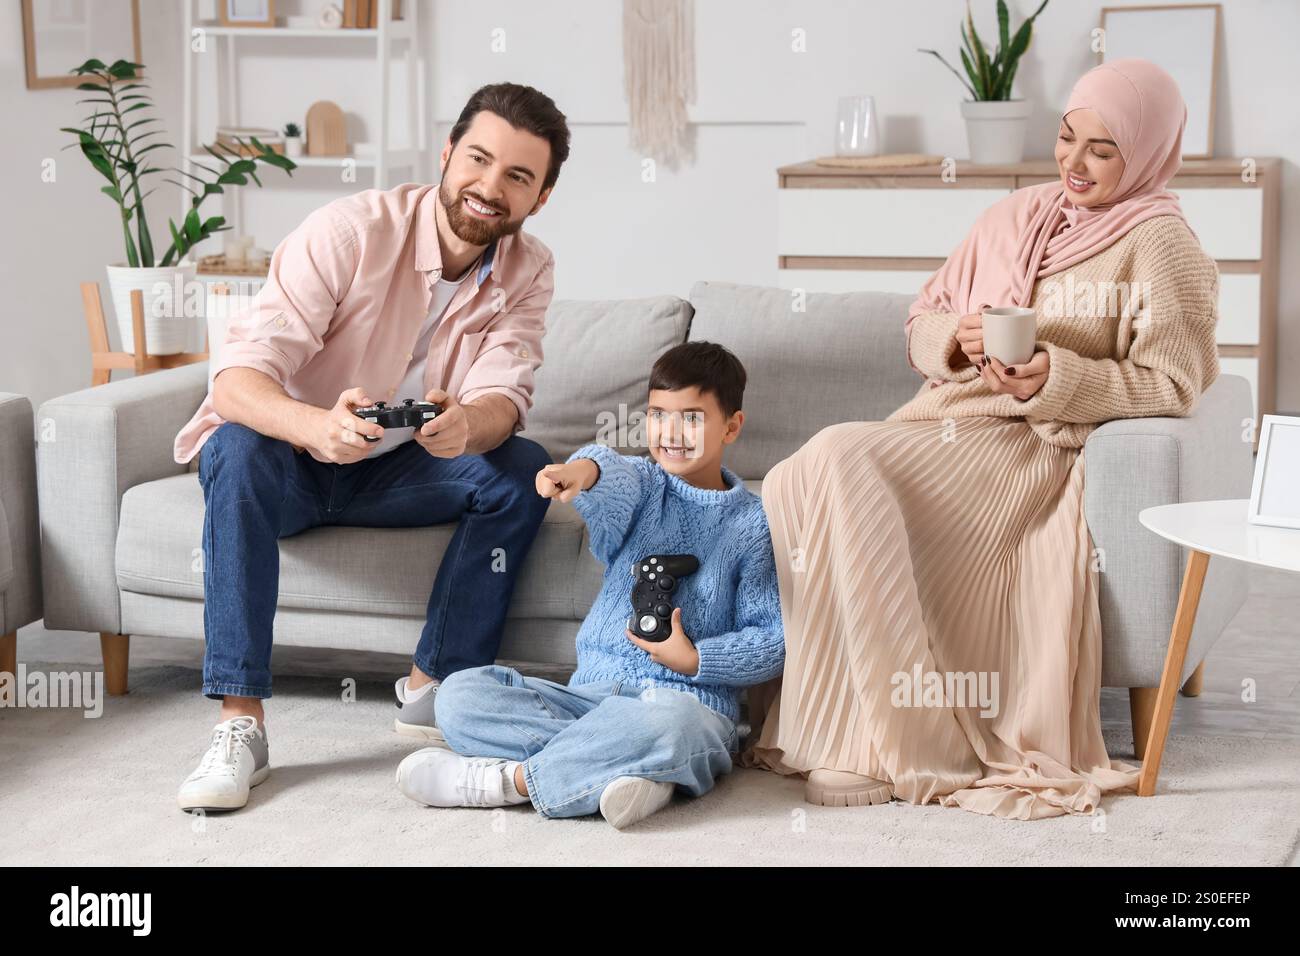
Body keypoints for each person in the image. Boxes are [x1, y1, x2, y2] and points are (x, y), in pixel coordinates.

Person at [742, 59, 1221, 820]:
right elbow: (923, 317)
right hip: (948, 419)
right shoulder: (1017, 213)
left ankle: (885, 745)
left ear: (1149, 152)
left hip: (1033, 446)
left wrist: (1055, 377)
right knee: (799, 475)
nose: (1075, 162)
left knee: (838, 455)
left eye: (1103, 149)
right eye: (1068, 139)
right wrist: (957, 343)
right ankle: (829, 720)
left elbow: (1174, 383)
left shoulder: (1161, 245)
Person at [171, 83, 571, 812]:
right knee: (234, 446)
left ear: (539, 197)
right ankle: (240, 726)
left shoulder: (530, 268)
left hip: (395, 475)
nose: (490, 187)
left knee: (520, 467)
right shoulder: (349, 232)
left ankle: (431, 690)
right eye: (478, 160)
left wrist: (466, 424)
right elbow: (235, 382)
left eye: (518, 176)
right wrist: (315, 426)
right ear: (446, 154)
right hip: (290, 462)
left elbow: (504, 396)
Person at [395, 342, 785, 829]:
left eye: (692, 418)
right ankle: (625, 772)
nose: (671, 433)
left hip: (684, 705)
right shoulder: (646, 483)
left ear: (731, 426)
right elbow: (611, 472)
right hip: (591, 699)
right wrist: (581, 472)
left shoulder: (753, 523)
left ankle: (512, 782)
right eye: (658, 416)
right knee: (459, 695)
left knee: (677, 730)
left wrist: (697, 660)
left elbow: (772, 637)